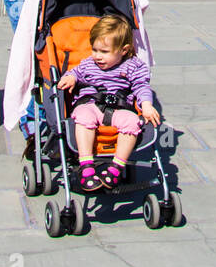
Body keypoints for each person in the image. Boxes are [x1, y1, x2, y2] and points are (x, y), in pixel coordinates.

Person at [57, 14, 160, 190]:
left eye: (104, 52)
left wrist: (147, 105)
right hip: (91, 105)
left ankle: (117, 167)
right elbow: (75, 72)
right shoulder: (89, 64)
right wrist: (70, 77)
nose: (97, 56)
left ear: (124, 50)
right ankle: (86, 166)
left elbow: (141, 86)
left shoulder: (133, 66)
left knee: (133, 121)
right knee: (83, 116)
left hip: (119, 108)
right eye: (95, 49)